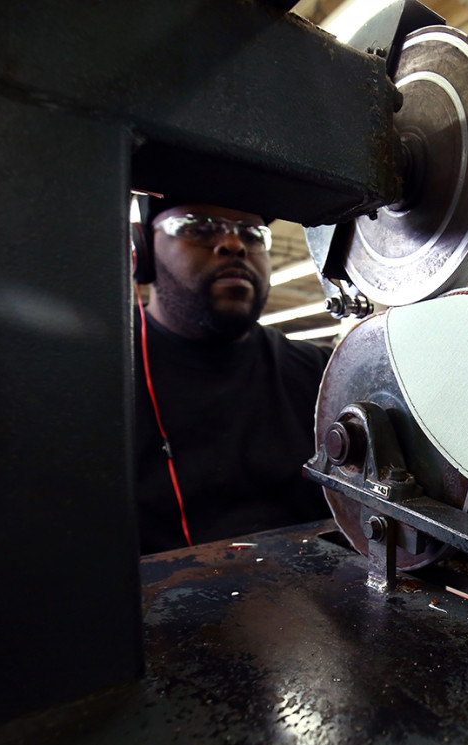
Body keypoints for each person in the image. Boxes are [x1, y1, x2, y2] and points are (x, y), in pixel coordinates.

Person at [133, 197, 332, 554]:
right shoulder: (94, 376)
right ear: (143, 253)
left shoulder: (325, 376)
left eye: (252, 234)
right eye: (198, 228)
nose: (234, 244)